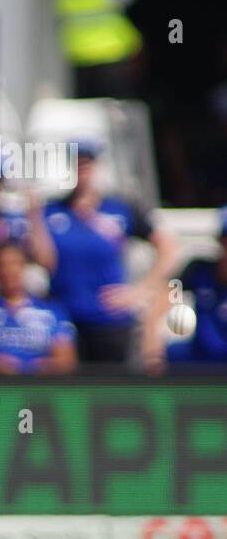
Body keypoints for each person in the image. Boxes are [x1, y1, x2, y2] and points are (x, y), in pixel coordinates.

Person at [37, 141, 179, 370]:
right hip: (64, 319)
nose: (82, 170)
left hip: (108, 320)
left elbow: (169, 247)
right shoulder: (52, 210)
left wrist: (142, 289)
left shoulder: (117, 208)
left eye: (87, 163)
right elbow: (43, 260)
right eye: (76, 163)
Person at [0, 244, 78, 376]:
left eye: (16, 263)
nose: (9, 271)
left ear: (29, 269)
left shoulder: (53, 311)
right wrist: (3, 365)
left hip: (39, 386)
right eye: (1, 265)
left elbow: (66, 359)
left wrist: (33, 369)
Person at [167, 207, 227, 363]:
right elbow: (168, 290)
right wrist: (152, 334)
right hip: (200, 358)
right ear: (221, 240)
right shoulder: (199, 270)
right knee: (170, 352)